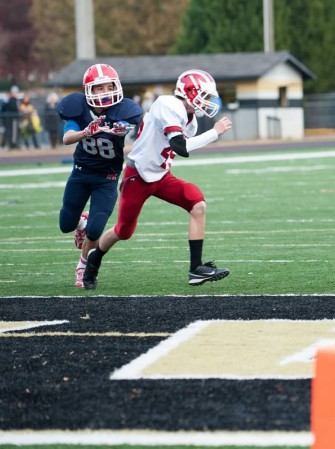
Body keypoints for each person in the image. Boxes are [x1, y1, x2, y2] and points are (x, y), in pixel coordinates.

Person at [82, 69, 233, 290]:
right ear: (190, 92)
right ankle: (94, 260)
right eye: (206, 95)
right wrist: (214, 133)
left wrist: (211, 134)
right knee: (123, 231)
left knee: (197, 203)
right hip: (138, 176)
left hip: (161, 177)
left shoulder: (190, 120)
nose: (208, 100)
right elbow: (180, 146)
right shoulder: (168, 104)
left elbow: (181, 145)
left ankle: (196, 269)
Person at [58, 64, 143, 287]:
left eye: (109, 87)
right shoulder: (78, 109)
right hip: (81, 173)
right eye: (99, 88)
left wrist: (121, 128)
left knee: (96, 230)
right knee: (66, 224)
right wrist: (86, 131)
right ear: (89, 90)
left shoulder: (123, 110)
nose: (105, 92)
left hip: (107, 177)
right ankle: (81, 223)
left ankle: (83, 267)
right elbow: (67, 138)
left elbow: (129, 124)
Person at [1, 85, 21, 150]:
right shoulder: (10, 100)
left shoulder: (13, 100)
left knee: (12, 132)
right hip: (12, 119)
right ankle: (12, 144)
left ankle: (11, 144)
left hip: (12, 119)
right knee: (11, 132)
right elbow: (12, 109)